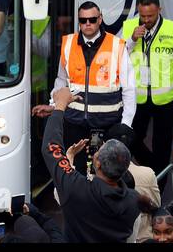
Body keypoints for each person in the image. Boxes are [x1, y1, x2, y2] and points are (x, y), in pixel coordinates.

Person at [35, 1, 135, 173]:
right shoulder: (68, 44)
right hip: (74, 123)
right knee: (76, 170)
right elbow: (61, 81)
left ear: (100, 19)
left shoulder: (116, 46)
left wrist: (126, 124)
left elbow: (129, 89)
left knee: (104, 172)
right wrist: (54, 105)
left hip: (106, 124)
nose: (87, 23)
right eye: (83, 20)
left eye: (92, 19)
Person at [41, 88, 143, 243]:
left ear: (98, 163)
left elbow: (51, 148)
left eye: (99, 151)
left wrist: (60, 105)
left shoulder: (76, 189)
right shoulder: (134, 201)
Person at [122, 0, 173, 173]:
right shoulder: (129, 27)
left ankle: (159, 189)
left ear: (159, 10)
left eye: (150, 16)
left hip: (164, 100)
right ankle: (152, 168)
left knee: (162, 145)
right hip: (137, 98)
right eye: (143, 15)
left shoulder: (172, 29)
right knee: (131, 140)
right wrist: (131, 40)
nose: (146, 20)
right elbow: (118, 58)